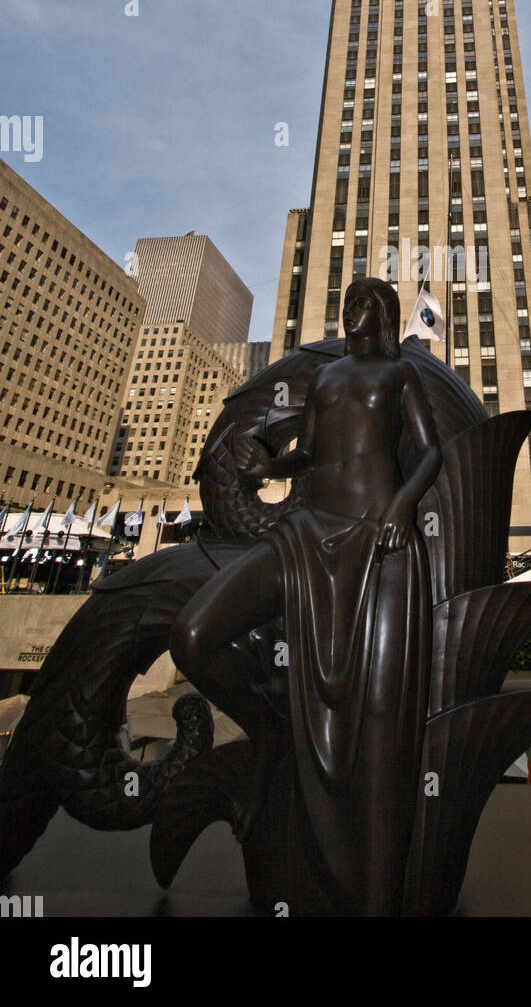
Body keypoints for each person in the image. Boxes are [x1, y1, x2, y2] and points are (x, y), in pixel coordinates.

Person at [169, 278, 442, 915]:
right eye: (345, 303)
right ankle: (269, 731)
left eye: (362, 304)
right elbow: (312, 452)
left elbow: (428, 456)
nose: (350, 313)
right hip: (306, 531)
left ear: (384, 312)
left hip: (376, 537)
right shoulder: (327, 377)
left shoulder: (402, 375)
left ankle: (374, 892)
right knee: (192, 635)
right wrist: (270, 467)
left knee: (379, 719)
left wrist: (403, 505)